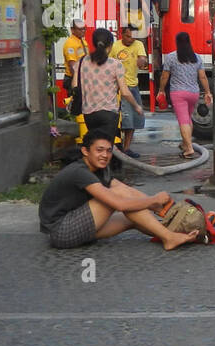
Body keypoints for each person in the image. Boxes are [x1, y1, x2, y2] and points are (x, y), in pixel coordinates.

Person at [39, 128, 199, 251]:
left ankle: (176, 231)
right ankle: (169, 238)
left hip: (78, 224)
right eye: (99, 150)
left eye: (108, 151)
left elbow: (127, 190)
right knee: (121, 199)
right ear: (85, 151)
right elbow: (120, 204)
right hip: (61, 231)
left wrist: (161, 208)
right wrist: (154, 200)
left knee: (133, 217)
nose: (105, 155)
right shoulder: (79, 172)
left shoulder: (100, 168)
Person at [75, 27, 142, 146]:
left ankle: (96, 164)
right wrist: (136, 106)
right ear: (110, 45)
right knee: (106, 146)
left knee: (95, 145)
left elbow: (74, 85)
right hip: (109, 113)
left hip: (89, 113)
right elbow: (125, 92)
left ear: (94, 43)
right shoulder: (115, 64)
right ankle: (106, 164)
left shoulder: (82, 62)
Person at [159, 30, 212, 160]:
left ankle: (189, 149)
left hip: (178, 93)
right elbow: (203, 77)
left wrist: (161, 90)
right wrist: (207, 92)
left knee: (183, 121)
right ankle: (185, 143)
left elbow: (165, 76)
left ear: (177, 43)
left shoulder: (171, 57)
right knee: (188, 119)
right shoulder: (196, 57)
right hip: (193, 93)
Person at [110, 22, 149, 158]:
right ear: (122, 35)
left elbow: (142, 58)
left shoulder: (138, 45)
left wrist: (142, 61)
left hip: (133, 86)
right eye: (128, 37)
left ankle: (126, 149)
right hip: (118, 88)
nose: (130, 40)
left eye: (133, 37)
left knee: (133, 119)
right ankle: (116, 148)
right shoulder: (115, 46)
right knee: (122, 120)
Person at [62, 17, 88, 113]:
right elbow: (73, 66)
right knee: (75, 107)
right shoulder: (70, 44)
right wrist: (77, 82)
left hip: (83, 78)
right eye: (80, 29)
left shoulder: (82, 41)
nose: (83, 31)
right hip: (74, 79)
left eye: (84, 28)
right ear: (72, 30)